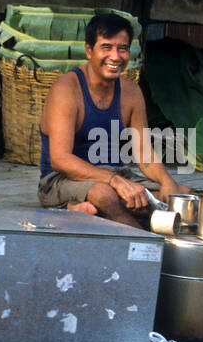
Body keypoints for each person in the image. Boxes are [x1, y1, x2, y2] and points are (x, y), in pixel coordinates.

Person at [37, 12, 189, 228]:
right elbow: (60, 159)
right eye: (106, 47)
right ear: (89, 50)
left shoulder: (131, 91)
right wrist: (115, 181)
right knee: (105, 194)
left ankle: (84, 212)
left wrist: (166, 181)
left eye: (123, 48)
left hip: (113, 173)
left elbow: (143, 152)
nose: (116, 56)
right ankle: (146, 247)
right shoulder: (66, 89)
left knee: (185, 196)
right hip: (59, 180)